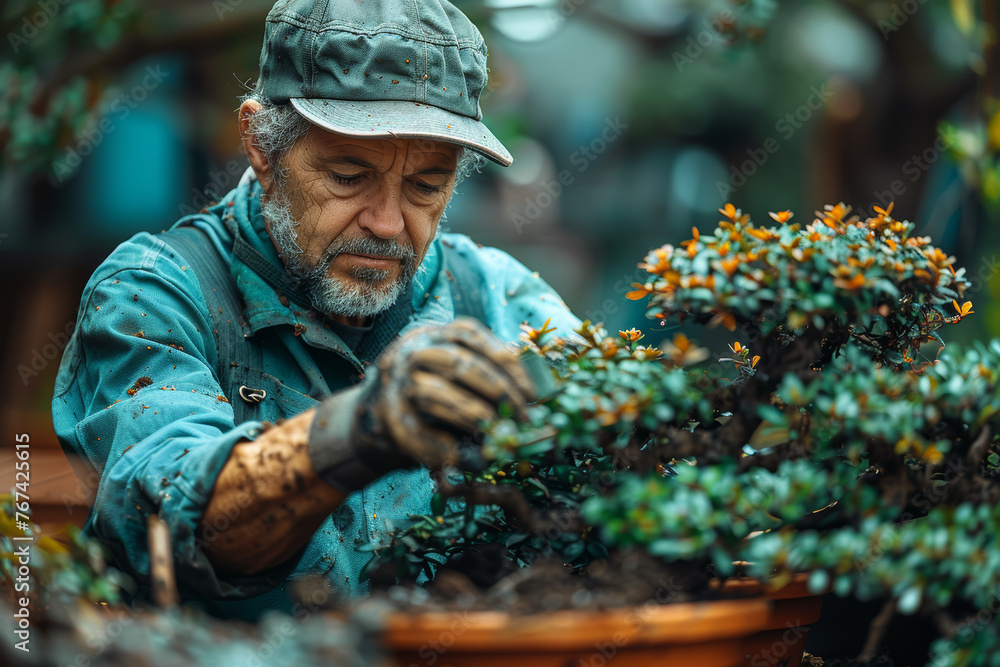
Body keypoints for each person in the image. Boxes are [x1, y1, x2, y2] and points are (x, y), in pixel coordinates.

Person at [52, 0, 579, 620]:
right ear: (261, 147)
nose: (386, 224)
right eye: (349, 176)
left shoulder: (493, 294)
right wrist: (357, 431)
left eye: (425, 187)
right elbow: (172, 521)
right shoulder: (154, 294)